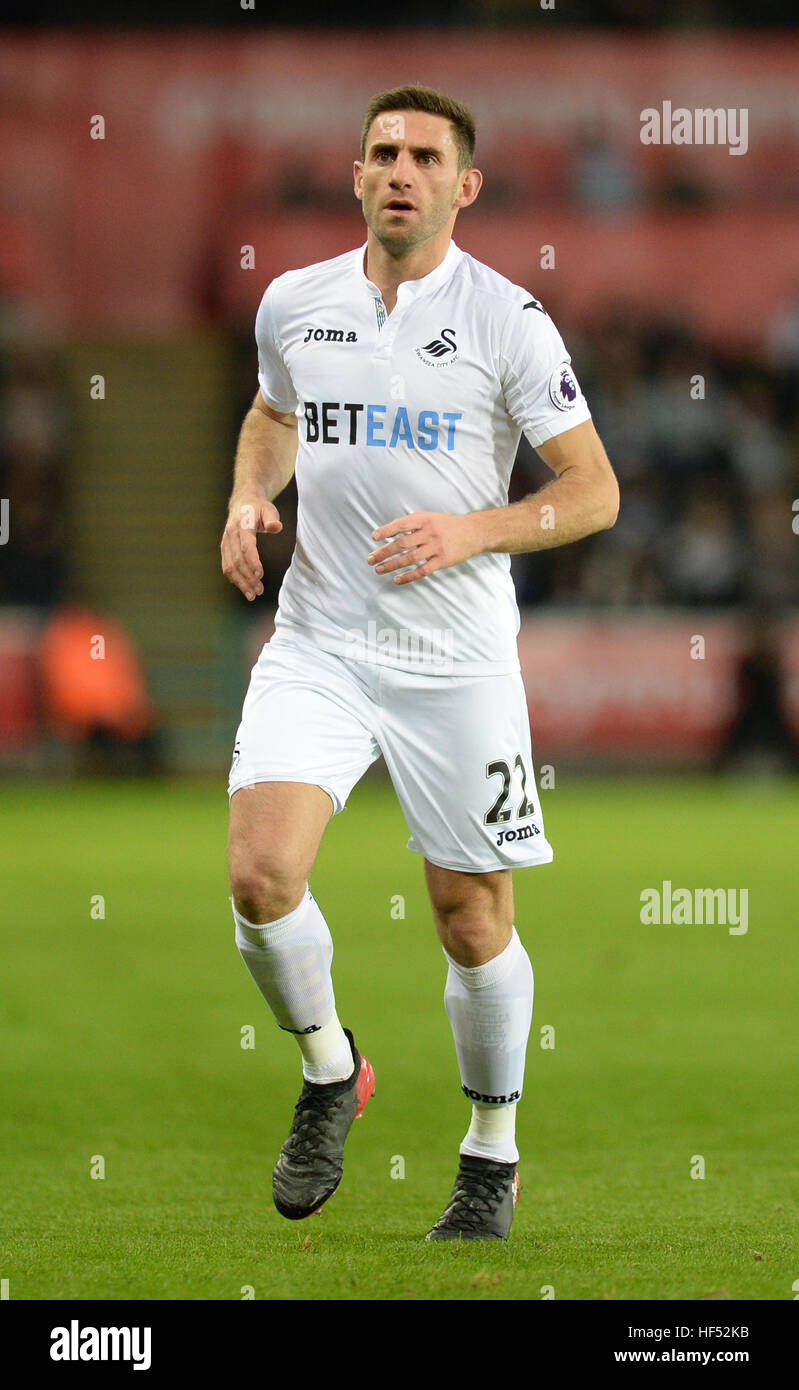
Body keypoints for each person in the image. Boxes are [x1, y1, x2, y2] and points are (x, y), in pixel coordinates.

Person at [221, 84, 619, 1241]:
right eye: (382, 151)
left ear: (463, 185)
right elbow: (271, 412)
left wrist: (471, 528)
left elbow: (591, 490)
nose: (401, 169)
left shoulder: (507, 320)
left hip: (454, 657)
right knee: (258, 876)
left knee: (470, 918)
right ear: (355, 174)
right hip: (323, 639)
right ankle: (331, 1068)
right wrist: (250, 492)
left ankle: (489, 1152)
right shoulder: (296, 303)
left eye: (424, 156)